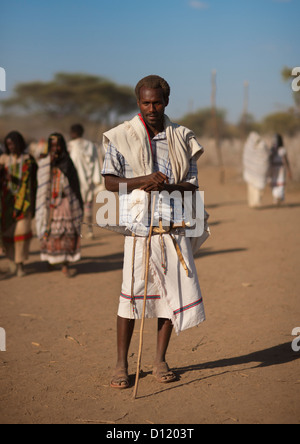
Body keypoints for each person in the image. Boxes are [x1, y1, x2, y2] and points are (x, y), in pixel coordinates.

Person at [101, 75, 207, 389]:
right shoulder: (121, 136)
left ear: (166, 102)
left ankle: (159, 360)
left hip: (172, 229)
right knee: (130, 298)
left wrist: (169, 184)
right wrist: (143, 180)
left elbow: (192, 185)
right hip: (139, 231)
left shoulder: (182, 136)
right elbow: (109, 183)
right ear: (138, 102)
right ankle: (121, 365)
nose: (151, 108)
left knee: (169, 297)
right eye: (145, 102)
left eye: (157, 102)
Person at [35, 133, 83, 277]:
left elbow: (75, 185)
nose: (56, 148)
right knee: (48, 232)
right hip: (49, 206)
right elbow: (42, 185)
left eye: (58, 145)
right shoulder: (44, 163)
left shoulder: (67, 163)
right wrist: (50, 164)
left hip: (65, 203)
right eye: (53, 145)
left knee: (66, 233)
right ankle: (50, 260)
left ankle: (65, 264)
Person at [0, 131, 37, 277]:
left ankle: (20, 264)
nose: (11, 147)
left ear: (19, 143)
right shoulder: (3, 159)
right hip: (7, 204)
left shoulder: (28, 160)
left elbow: (34, 182)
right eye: (8, 144)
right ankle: (11, 264)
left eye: (13, 143)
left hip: (24, 203)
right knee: (8, 234)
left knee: (21, 233)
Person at [68, 124, 102, 239]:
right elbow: (97, 162)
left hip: (75, 182)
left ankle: (77, 230)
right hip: (88, 182)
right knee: (88, 207)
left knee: (75, 208)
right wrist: (96, 178)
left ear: (74, 133)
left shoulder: (71, 146)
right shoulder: (90, 145)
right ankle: (89, 230)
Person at [243, 131, 270, 208]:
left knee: (256, 188)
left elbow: (265, 156)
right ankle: (253, 203)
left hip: (257, 172)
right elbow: (246, 157)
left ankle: (256, 202)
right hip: (252, 171)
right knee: (254, 188)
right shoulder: (249, 146)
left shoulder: (261, 145)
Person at [269, 134, 293, 205]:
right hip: (274, 168)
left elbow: (286, 160)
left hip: (280, 168)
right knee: (274, 183)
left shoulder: (282, 150)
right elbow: (269, 159)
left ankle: (279, 196)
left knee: (280, 183)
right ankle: (276, 197)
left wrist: (289, 170)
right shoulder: (272, 150)